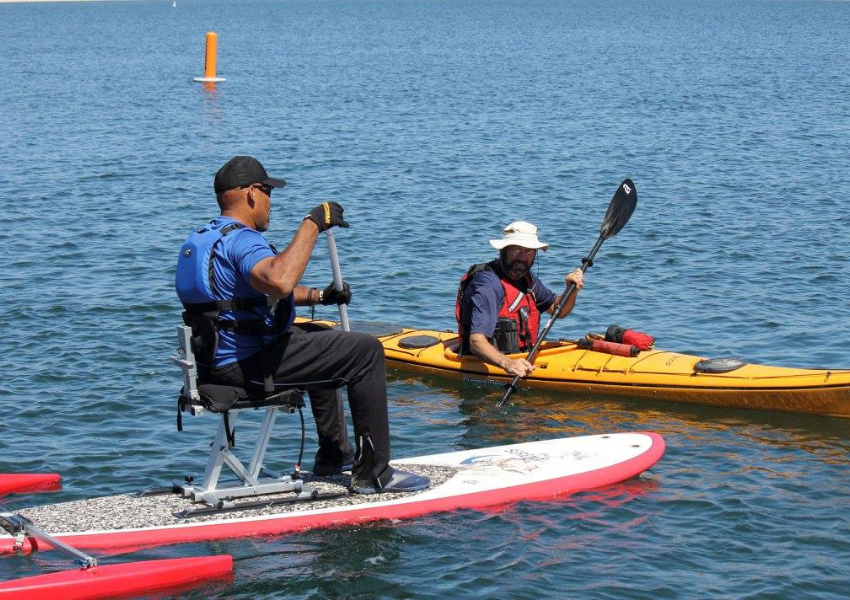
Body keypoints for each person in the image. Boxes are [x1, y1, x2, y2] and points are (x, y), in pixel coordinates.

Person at [175, 156, 429, 494]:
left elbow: (248, 297)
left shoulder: (203, 240)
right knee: (366, 351)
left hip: (217, 363)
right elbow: (278, 281)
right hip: (248, 365)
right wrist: (312, 224)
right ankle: (374, 474)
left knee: (323, 338)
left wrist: (320, 295)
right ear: (252, 193)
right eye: (268, 192)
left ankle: (333, 455)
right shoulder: (243, 240)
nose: (270, 203)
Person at [455, 221, 584, 378]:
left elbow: (559, 310)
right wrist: (508, 364)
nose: (523, 257)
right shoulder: (488, 285)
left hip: (521, 357)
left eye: (529, 251)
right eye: (517, 249)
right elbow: (476, 342)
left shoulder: (526, 278)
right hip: (485, 363)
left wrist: (571, 290)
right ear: (504, 250)